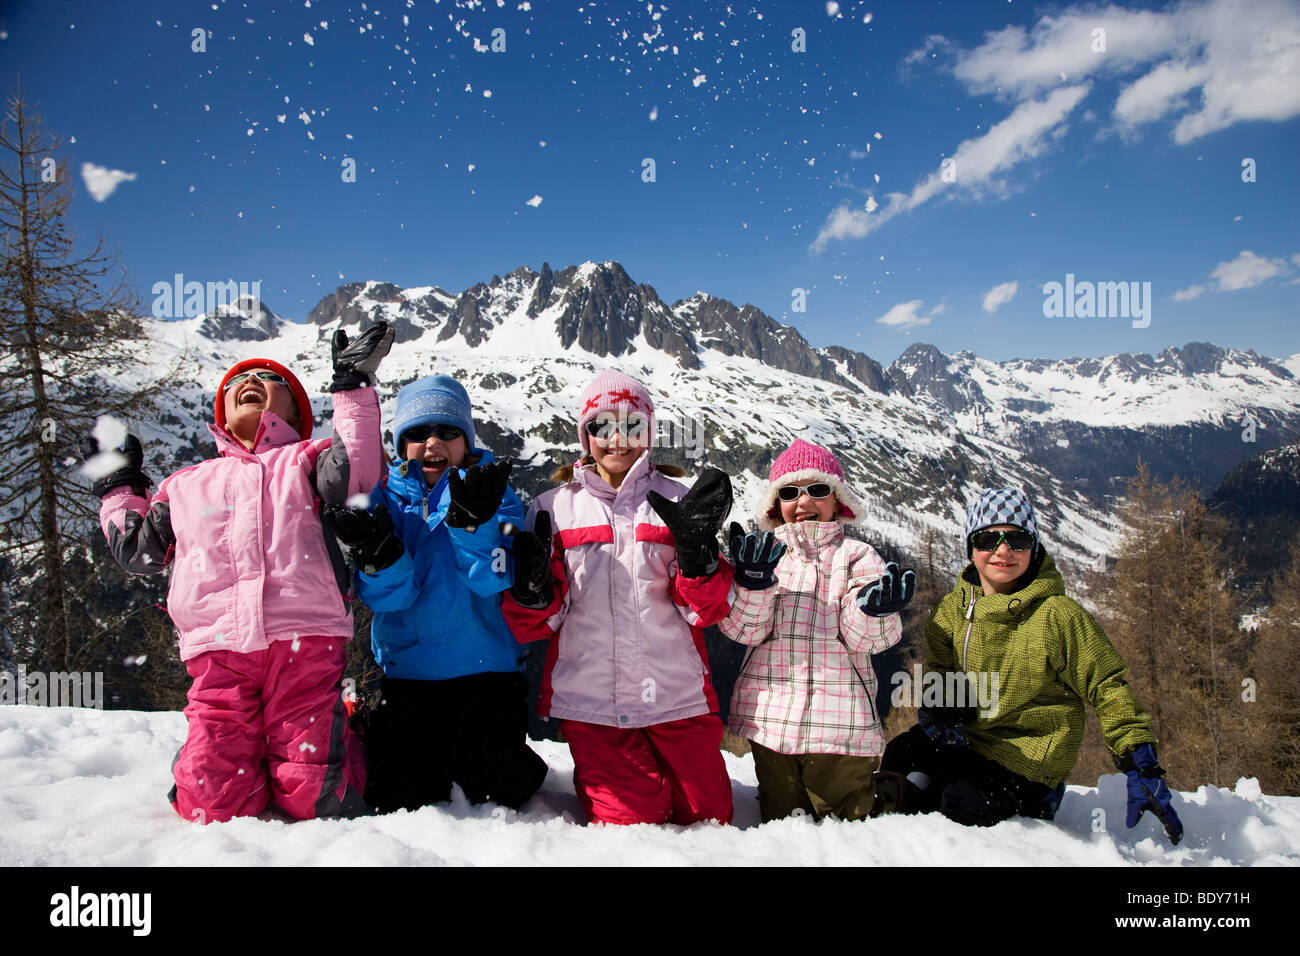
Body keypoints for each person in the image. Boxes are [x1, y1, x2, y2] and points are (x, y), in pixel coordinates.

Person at [85, 323, 393, 823]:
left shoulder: (308, 460)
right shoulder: (184, 484)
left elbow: (358, 474)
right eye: (236, 379)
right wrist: (120, 483)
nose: (248, 379)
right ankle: (213, 761)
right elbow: (137, 553)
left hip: (305, 640)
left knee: (312, 794)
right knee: (213, 801)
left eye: (267, 378)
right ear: (221, 414)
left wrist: (352, 388)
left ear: (296, 413)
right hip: (218, 649)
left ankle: (345, 734)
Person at [878, 487, 1184, 844]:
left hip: (1029, 756)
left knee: (958, 805)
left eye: (1017, 539)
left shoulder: (1056, 615)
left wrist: (1140, 761)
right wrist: (942, 706)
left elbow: (1107, 684)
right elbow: (942, 671)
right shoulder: (953, 610)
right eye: (988, 539)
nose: (1002, 550)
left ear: (1034, 547)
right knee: (901, 752)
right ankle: (889, 838)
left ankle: (1040, 800)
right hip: (973, 742)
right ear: (970, 548)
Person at [503, 369, 736, 826]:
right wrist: (534, 594)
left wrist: (701, 562)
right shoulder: (552, 508)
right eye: (601, 426)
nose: (617, 439)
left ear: (648, 431)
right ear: (584, 434)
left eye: (631, 425)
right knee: (633, 825)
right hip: (593, 702)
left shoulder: (677, 500)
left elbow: (704, 610)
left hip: (678, 695)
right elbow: (537, 625)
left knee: (709, 817)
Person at [323, 374, 548, 813]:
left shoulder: (493, 494)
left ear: (465, 441)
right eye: (417, 433)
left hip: (490, 677)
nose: (433, 443)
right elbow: (387, 599)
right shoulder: (383, 499)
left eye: (447, 432)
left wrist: (472, 527)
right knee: (401, 796)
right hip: (409, 679)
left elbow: (494, 578)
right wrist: (380, 558)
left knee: (500, 792)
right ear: (400, 443)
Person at [719, 439, 911, 822]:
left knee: (849, 815)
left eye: (817, 490)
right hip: (771, 720)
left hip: (839, 720)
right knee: (782, 821)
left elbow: (866, 638)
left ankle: (902, 793)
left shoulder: (857, 556)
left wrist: (872, 610)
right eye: (790, 492)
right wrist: (753, 584)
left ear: (837, 500)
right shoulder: (766, 555)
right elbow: (743, 630)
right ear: (776, 506)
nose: (803, 502)